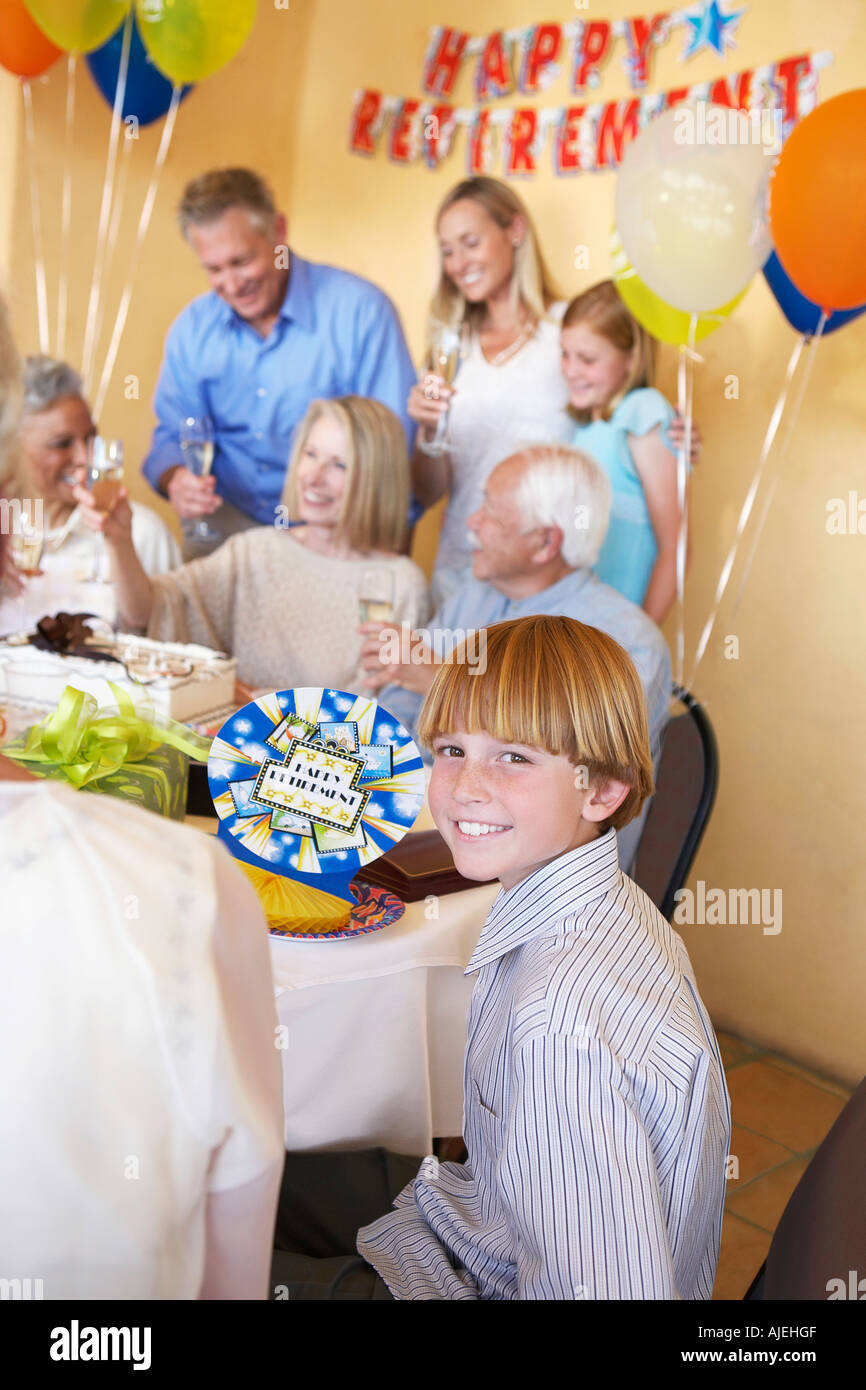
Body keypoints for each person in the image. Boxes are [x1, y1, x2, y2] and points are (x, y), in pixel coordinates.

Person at [269, 616, 731, 1299]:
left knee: (177, 1261)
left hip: (472, 1281)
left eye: (514, 757)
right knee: (245, 1161)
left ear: (602, 790)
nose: (465, 786)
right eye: (451, 748)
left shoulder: (558, 1027)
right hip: (479, 1226)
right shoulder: (613, 904)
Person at [0, 297, 284, 1300]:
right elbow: (233, 1248)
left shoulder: (132, 533)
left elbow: (138, 620)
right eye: (53, 440)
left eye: (88, 434)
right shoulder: (178, 889)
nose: (78, 455)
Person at [361, 444, 670, 870]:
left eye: (489, 510)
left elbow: (567, 779)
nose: (472, 524)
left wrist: (439, 678)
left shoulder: (627, 642)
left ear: (545, 542)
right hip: (439, 835)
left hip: (541, 879)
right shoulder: (470, 602)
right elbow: (392, 728)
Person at [409, 177, 699, 606]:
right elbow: (427, 493)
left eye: (470, 242)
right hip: (461, 572)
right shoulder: (450, 348)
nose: (457, 263)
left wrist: (675, 437)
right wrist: (428, 433)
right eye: (447, 250)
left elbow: (622, 420)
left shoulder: (566, 332)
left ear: (516, 231)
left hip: (546, 581)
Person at [141, 168, 418, 558]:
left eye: (242, 261)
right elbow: (172, 433)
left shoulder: (361, 312)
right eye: (215, 270)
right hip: (227, 523)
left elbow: (391, 448)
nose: (232, 285)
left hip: (335, 527)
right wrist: (176, 479)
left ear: (279, 232)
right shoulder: (192, 329)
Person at [80, 397, 430, 692]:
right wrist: (119, 539)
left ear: (376, 478)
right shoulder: (253, 553)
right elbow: (148, 613)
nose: (313, 476)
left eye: (339, 464)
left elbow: (389, 715)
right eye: (311, 454)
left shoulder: (400, 583)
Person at [0, 356, 179, 632]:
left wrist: (120, 544)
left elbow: (170, 639)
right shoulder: (7, 532)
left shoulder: (143, 533)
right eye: (62, 444)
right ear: (15, 449)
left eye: (90, 438)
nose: (85, 457)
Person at [561, 281, 683, 623]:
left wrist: (638, 643)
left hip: (618, 642)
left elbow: (676, 548)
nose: (571, 370)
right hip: (575, 633)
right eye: (565, 354)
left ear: (631, 359)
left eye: (587, 359)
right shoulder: (583, 425)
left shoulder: (643, 415)